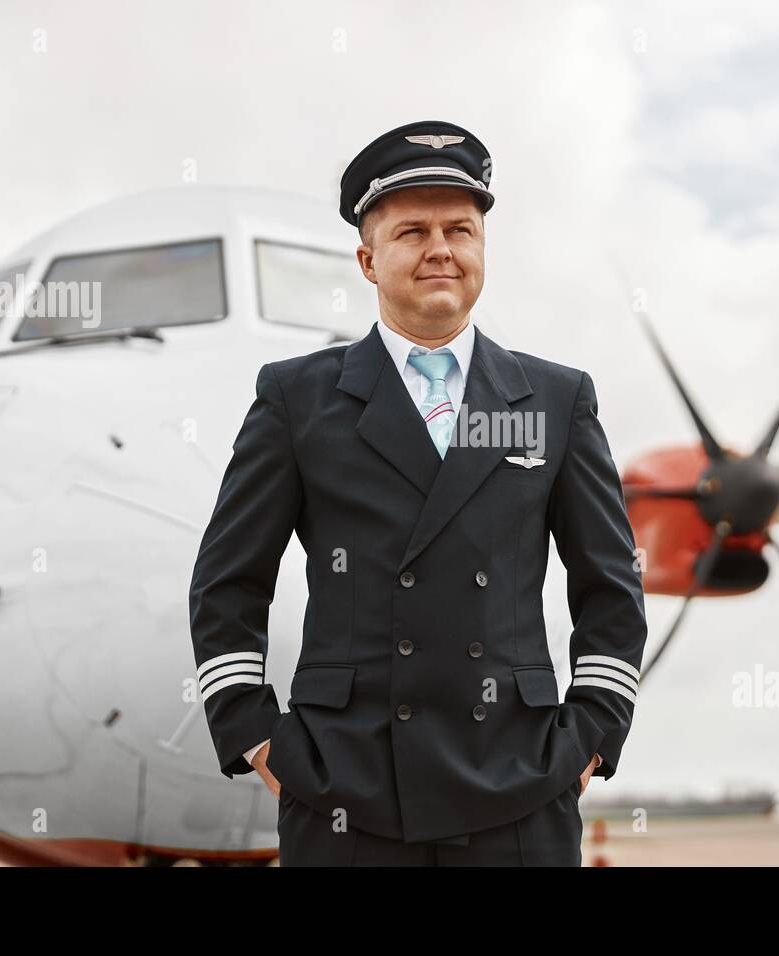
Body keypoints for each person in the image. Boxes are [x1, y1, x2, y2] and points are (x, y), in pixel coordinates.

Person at [188, 120, 647, 865]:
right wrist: (255, 732)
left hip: (520, 787)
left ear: (482, 251)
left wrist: (592, 733)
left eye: (460, 229)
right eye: (413, 231)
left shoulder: (556, 400)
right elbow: (227, 581)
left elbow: (611, 585)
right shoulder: (295, 399)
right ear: (369, 260)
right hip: (346, 790)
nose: (441, 248)